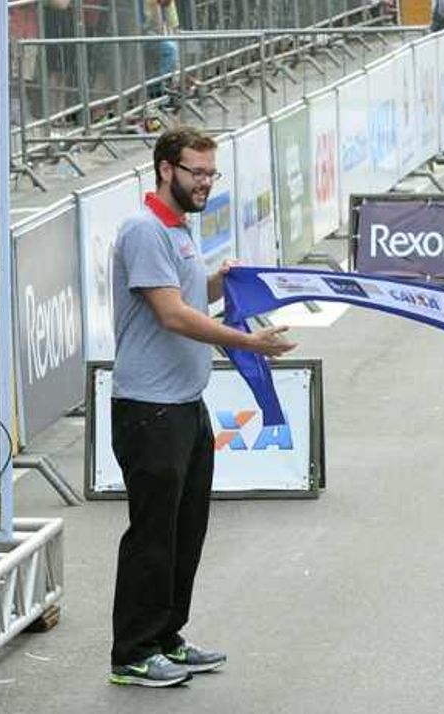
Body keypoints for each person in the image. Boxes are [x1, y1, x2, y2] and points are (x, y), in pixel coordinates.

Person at [108, 126, 298, 688]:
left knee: (186, 530)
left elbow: (191, 299)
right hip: (150, 408)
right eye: (196, 172)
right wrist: (247, 342)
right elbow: (171, 315)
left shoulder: (179, 232)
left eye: (212, 174)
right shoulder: (144, 230)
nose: (205, 183)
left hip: (185, 403)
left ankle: (167, 635)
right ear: (166, 169)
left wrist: (222, 281)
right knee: (153, 535)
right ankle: (133, 652)